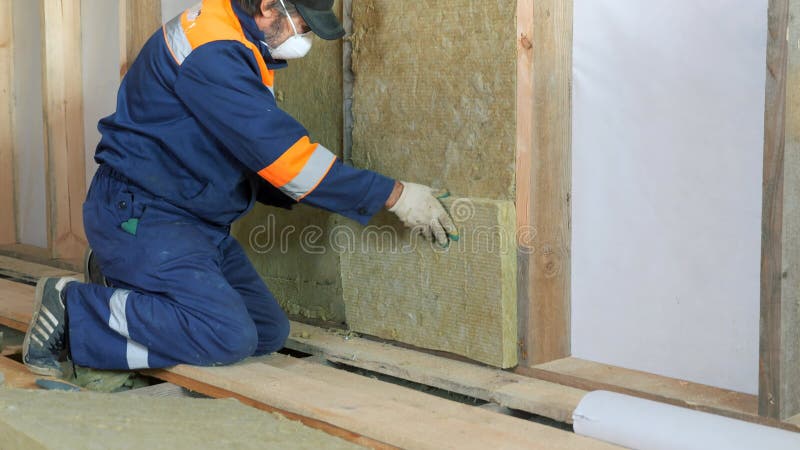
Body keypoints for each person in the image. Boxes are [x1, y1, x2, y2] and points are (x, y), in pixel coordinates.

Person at [23, 0, 456, 377]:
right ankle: (73, 309)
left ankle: (120, 278)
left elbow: (251, 158)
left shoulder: (236, 38)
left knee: (267, 331)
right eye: (303, 25)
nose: (304, 38)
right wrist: (395, 195)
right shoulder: (214, 54)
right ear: (269, 7)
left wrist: (332, 189)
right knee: (226, 335)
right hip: (141, 212)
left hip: (192, 218)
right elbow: (286, 161)